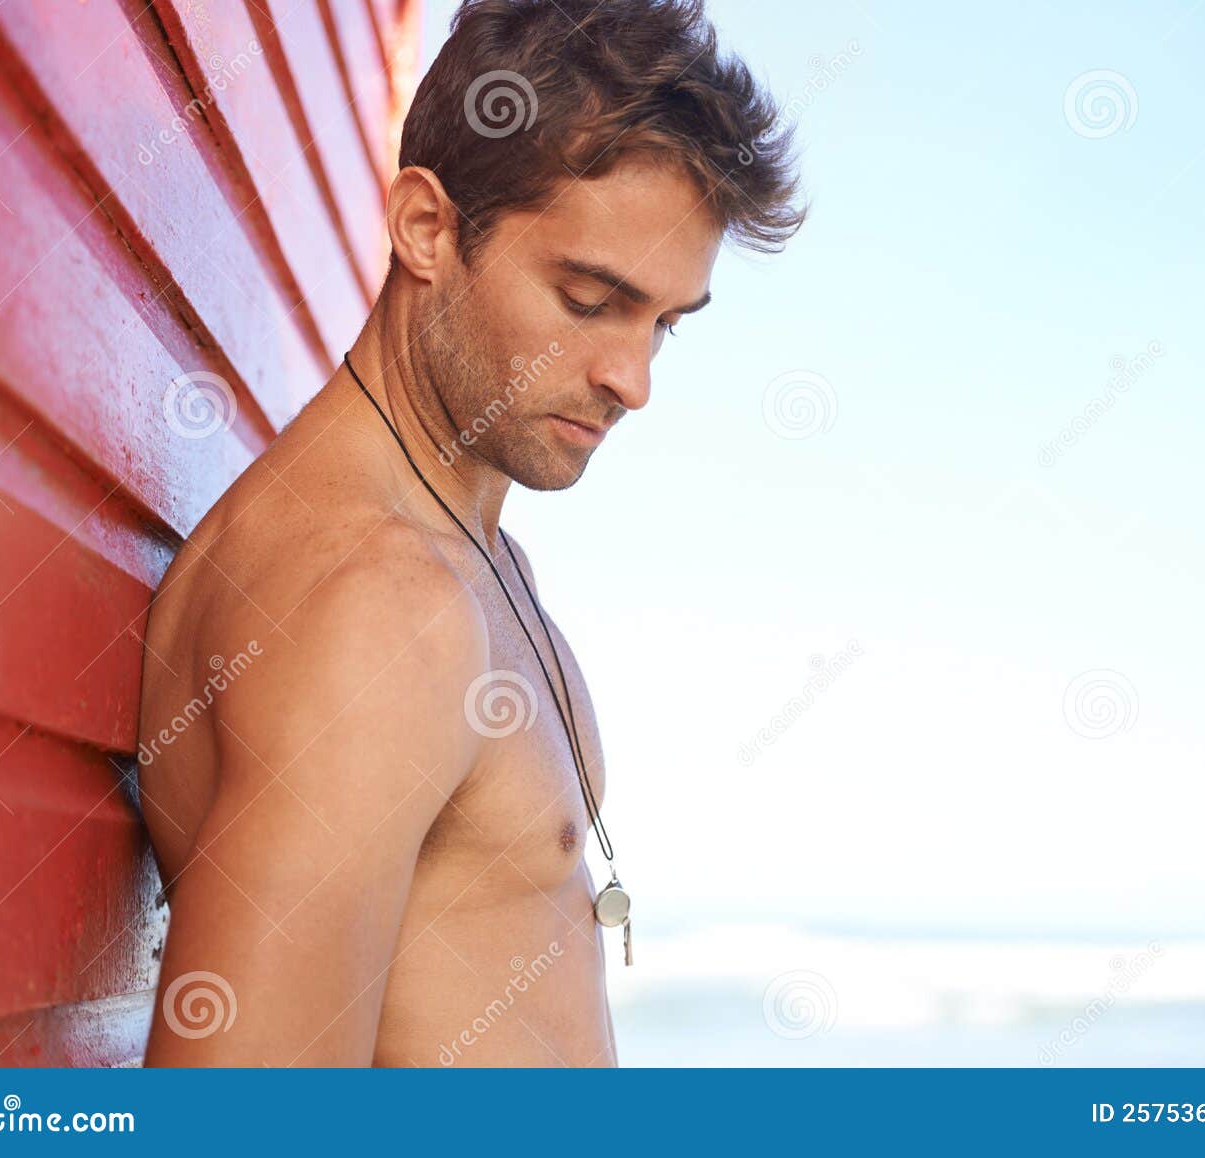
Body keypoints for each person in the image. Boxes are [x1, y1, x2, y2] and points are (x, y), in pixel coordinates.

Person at [137, 0, 804, 1066]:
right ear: (426, 229)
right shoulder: (376, 607)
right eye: (590, 300)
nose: (632, 381)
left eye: (665, 325)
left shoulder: (473, 553)